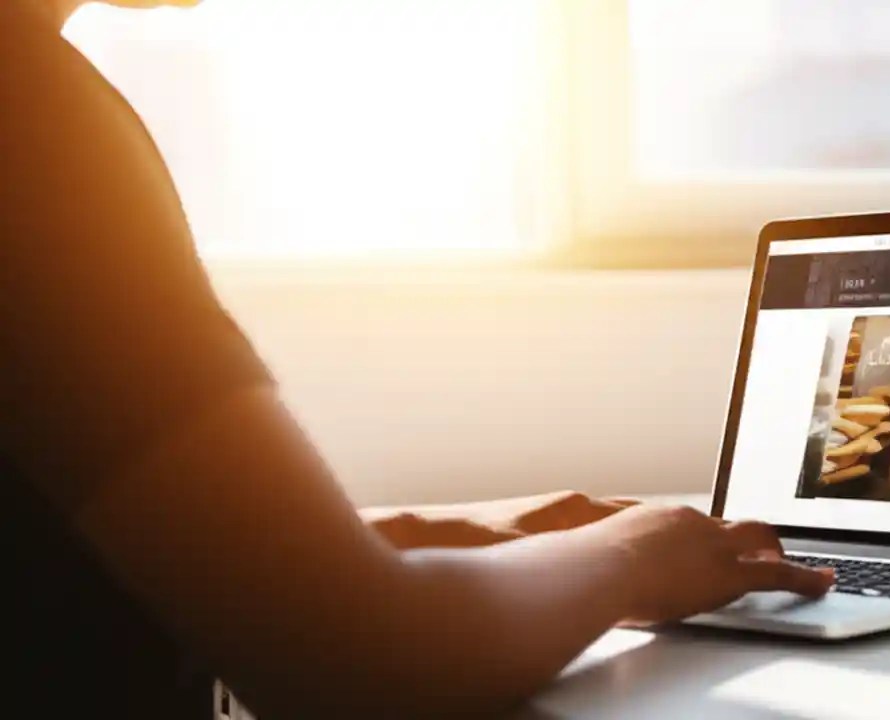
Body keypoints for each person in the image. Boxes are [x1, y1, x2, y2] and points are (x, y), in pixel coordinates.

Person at [0, 0, 834, 717]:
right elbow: (351, 655)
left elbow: (65, 551)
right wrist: (632, 558)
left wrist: (428, 532)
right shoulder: (31, 115)